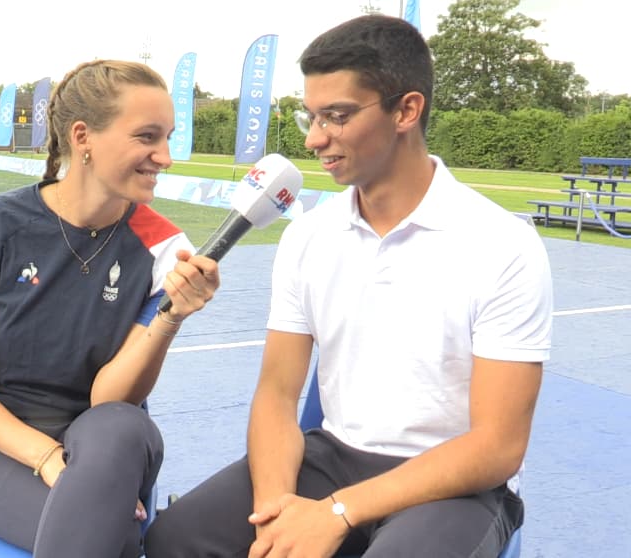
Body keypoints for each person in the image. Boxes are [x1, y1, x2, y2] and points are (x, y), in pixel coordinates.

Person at [144, 14, 552, 558]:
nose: (314, 139)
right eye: (310, 116)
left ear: (406, 110)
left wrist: (338, 512)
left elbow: (497, 446)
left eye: (335, 117)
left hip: (455, 485)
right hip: (332, 456)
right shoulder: (309, 236)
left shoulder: (502, 245)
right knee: (174, 539)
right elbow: (276, 395)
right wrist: (275, 513)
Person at [0, 59, 220, 558]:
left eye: (168, 137)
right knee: (112, 541)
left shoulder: (165, 249)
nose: (167, 157)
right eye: (148, 137)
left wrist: (170, 315)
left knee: (124, 425)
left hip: (102, 445)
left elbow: (108, 398)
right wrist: (46, 457)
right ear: (84, 136)